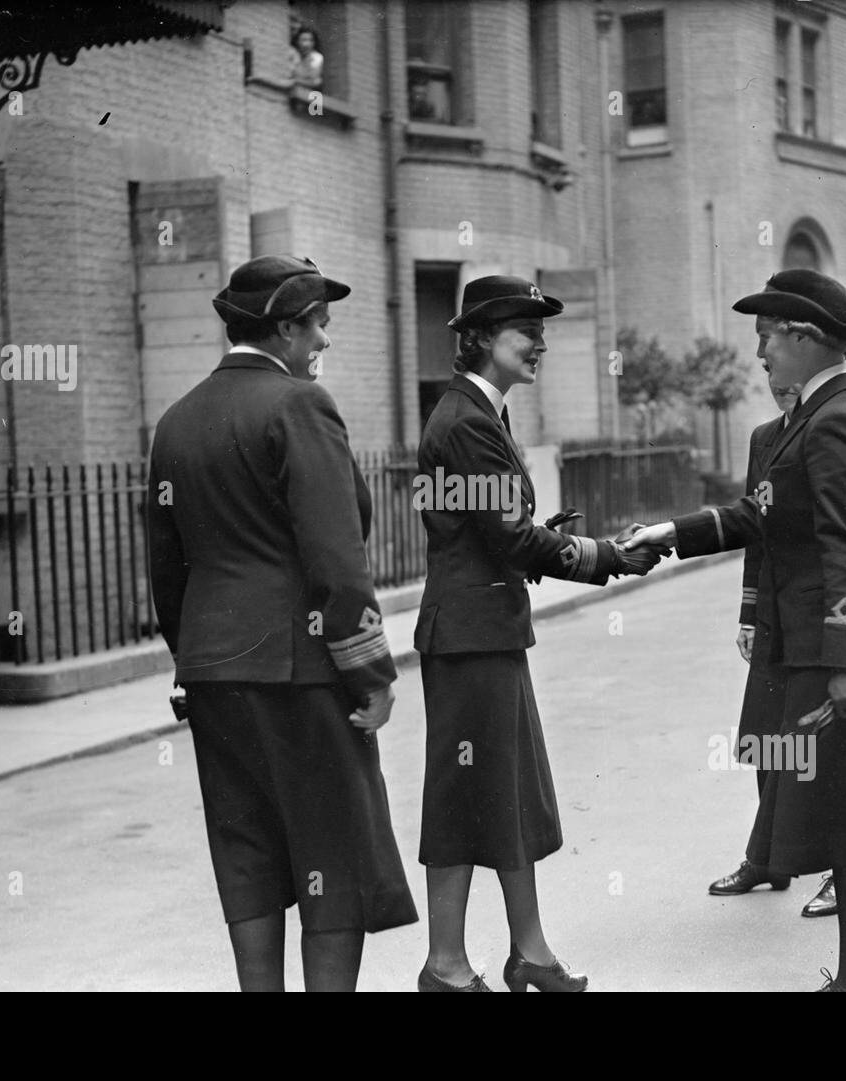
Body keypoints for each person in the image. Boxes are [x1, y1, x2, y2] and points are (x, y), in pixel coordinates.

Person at [629, 268, 846, 992]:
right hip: (843, 648)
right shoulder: (814, 418)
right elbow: (755, 515)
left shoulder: (833, 424)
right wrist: (673, 532)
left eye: (768, 337)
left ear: (805, 337)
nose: (760, 351)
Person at [147, 255, 417, 991]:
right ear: (287, 328)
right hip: (301, 673)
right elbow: (336, 558)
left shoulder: (175, 421)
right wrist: (371, 672)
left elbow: (166, 571)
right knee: (331, 854)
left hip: (214, 674)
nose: (324, 342)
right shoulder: (300, 405)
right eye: (320, 325)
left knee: (249, 857)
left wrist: (194, 661)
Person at [415, 275, 666, 992]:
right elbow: (507, 537)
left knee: (506, 792)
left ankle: (530, 953)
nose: (541, 345)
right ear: (485, 338)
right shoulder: (466, 419)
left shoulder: (478, 411)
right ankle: (446, 965)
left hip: (482, 632)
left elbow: (494, 532)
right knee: (465, 797)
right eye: (528, 332)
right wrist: (605, 558)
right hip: (470, 640)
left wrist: (534, 539)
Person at [711, 372, 837, 920]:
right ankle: (769, 860)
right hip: (772, 615)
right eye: (772, 380)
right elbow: (754, 531)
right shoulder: (764, 438)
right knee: (764, 738)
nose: (780, 387)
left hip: (815, 616)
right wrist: (746, 612)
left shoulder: (828, 429)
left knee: (817, 743)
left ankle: (839, 868)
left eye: (790, 382)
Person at [288, 25, 324, 89]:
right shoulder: (292, 53)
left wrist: (296, 81)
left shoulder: (317, 58)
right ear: (297, 41)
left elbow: (315, 82)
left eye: (311, 40)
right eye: (304, 40)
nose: (307, 44)